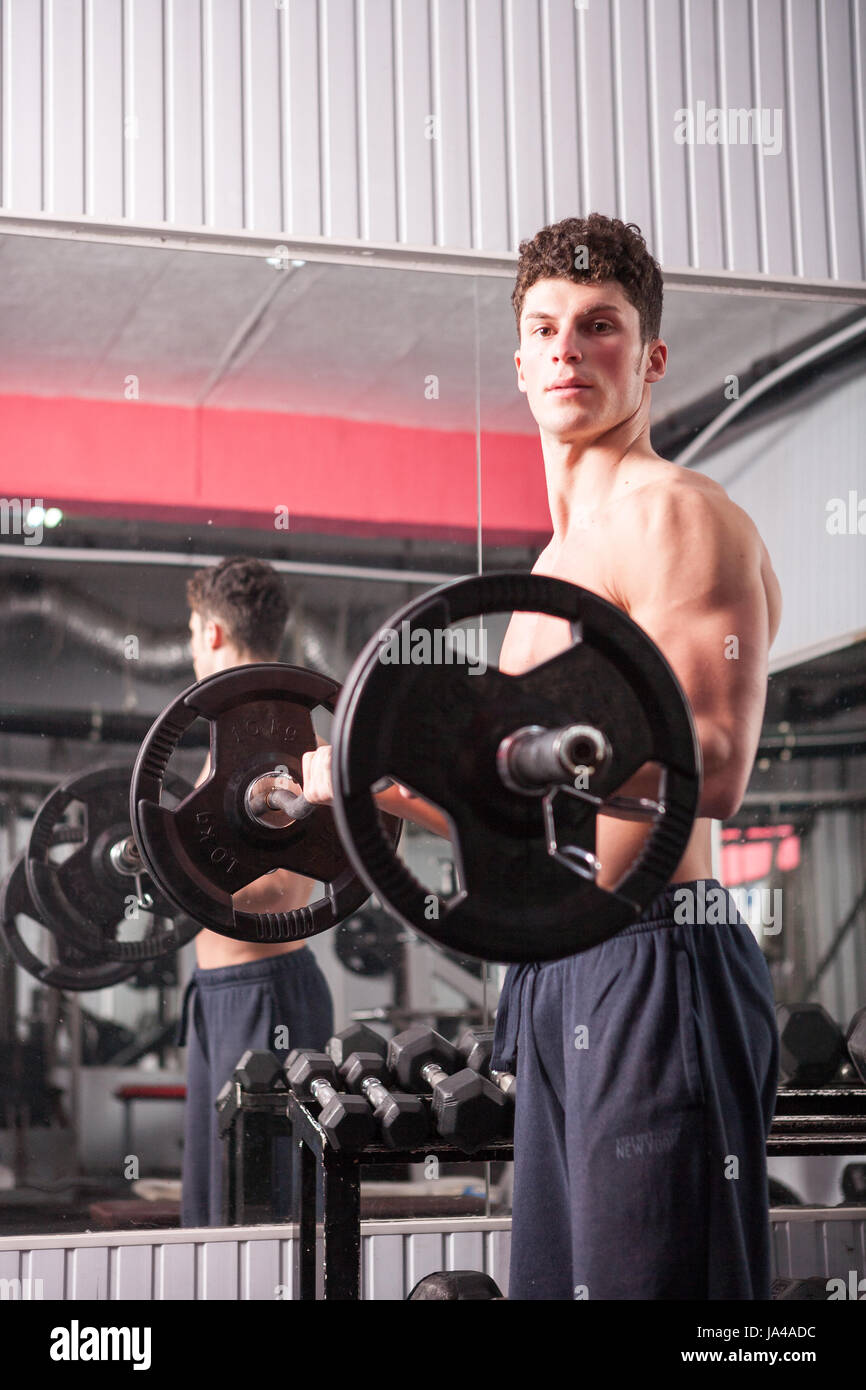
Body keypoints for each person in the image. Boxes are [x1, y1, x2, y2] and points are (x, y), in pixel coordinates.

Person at [301, 213, 782, 1300]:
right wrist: (369, 779)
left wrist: (529, 759)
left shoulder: (671, 516)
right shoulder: (552, 562)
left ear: (649, 358)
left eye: (599, 326)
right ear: (518, 360)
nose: (568, 348)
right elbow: (518, 804)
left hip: (656, 958)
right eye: (545, 327)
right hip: (558, 964)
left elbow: (709, 763)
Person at [177, 556, 333, 1227]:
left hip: (263, 989)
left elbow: (277, 886)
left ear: (211, 633)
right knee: (216, 1211)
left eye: (189, 630)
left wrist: (173, 878)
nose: (189, 644)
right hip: (220, 994)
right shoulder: (232, 735)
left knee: (263, 1213)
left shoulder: (280, 733)